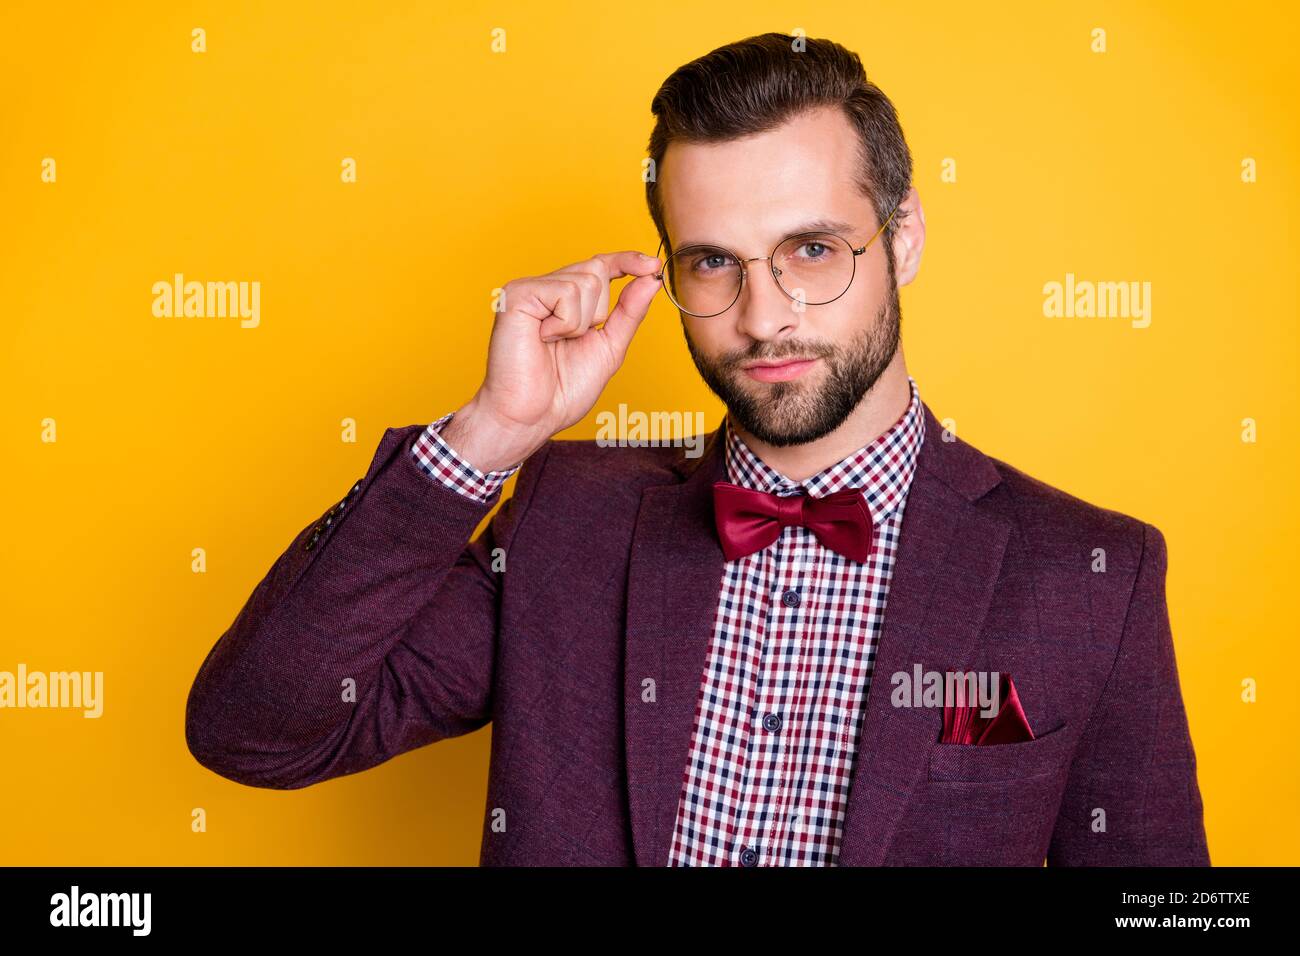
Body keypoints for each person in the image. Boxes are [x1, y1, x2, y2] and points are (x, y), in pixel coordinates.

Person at [185, 32, 1210, 867]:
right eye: (713, 262)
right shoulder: (565, 520)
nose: (763, 317)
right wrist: (490, 433)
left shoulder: (1088, 574)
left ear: (899, 240)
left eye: (812, 250)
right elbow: (257, 729)